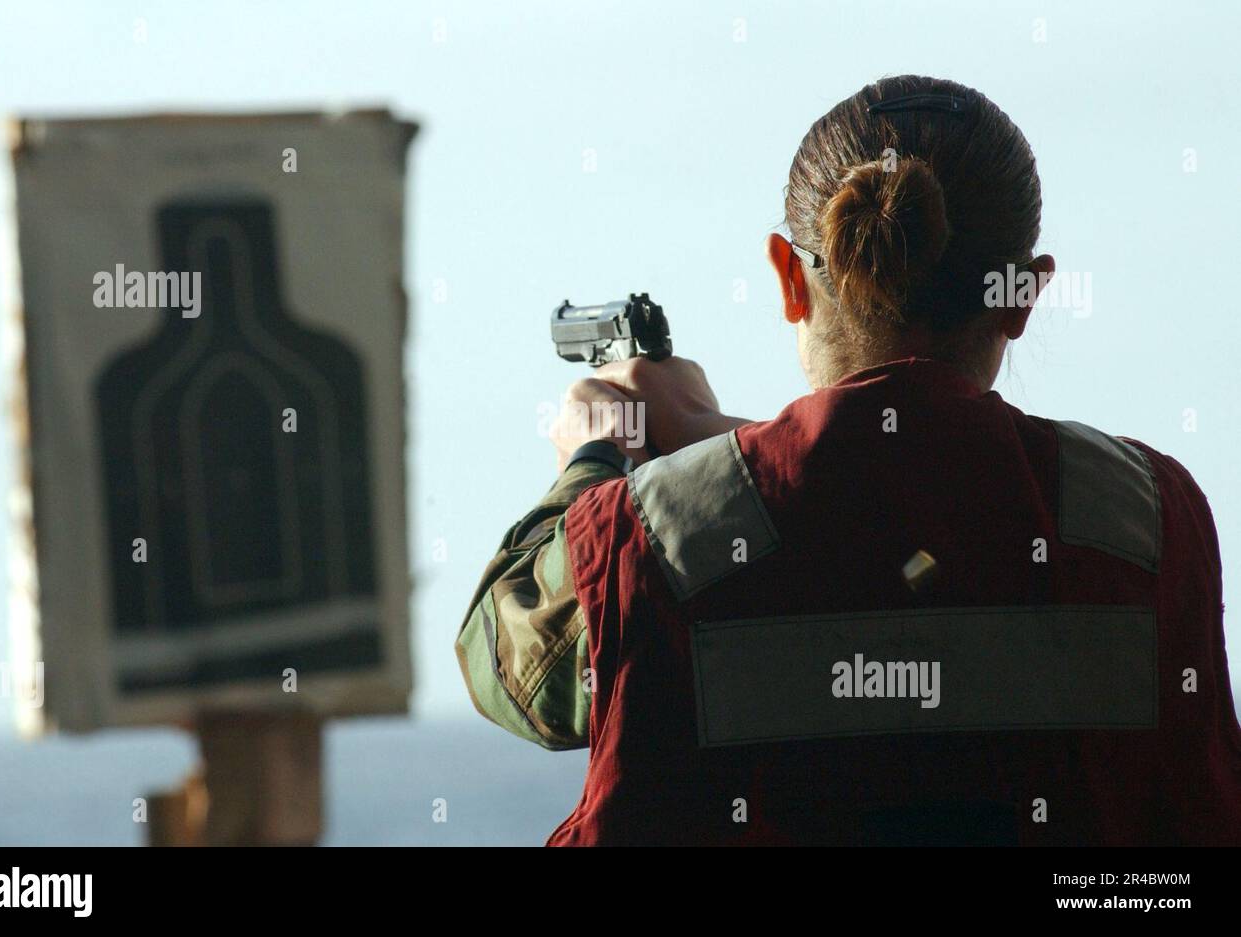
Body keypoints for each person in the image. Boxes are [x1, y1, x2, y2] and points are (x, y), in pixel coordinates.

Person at [455, 75, 1241, 845]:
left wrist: (596, 457)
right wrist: (704, 432)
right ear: (1023, 296)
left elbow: (509, 665)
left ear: (789, 276)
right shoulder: (1148, 518)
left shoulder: (649, 537)